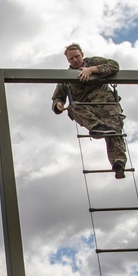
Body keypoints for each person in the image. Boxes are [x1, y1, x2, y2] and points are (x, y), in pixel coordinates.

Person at [51, 43, 128, 179]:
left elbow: (114, 65)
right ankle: (97, 127)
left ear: (82, 54)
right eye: (71, 59)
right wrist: (58, 104)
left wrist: (92, 70)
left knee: (114, 130)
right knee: (73, 108)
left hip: (105, 104)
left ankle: (118, 162)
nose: (75, 60)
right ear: (68, 60)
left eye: (77, 56)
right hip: (85, 108)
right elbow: (58, 96)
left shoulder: (93, 61)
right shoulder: (66, 77)